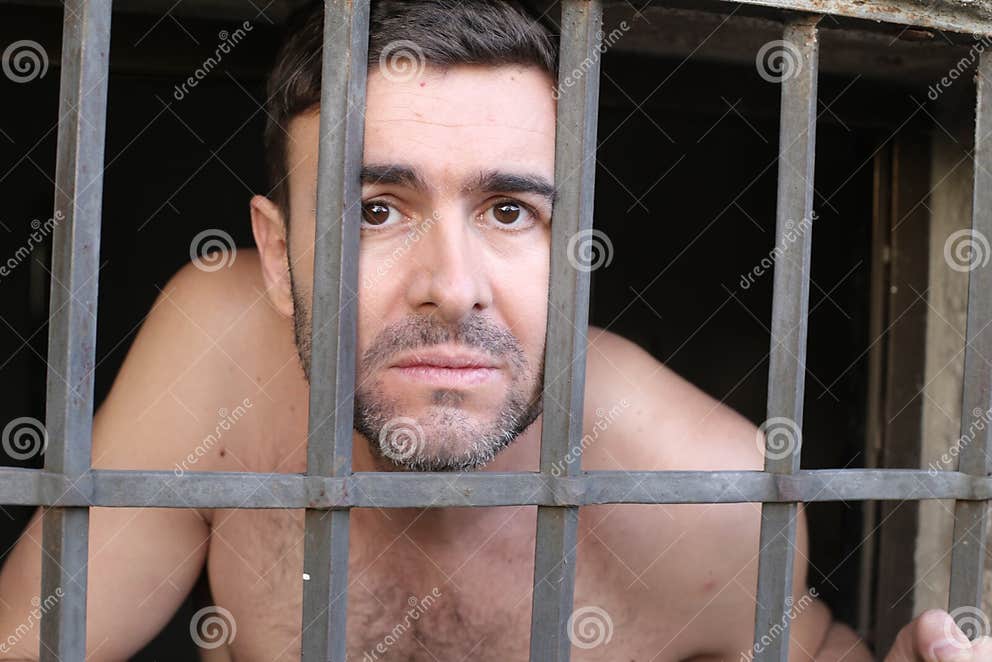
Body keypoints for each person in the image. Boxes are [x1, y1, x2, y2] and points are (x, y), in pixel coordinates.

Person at [1, 1, 987, 660]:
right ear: (275, 254)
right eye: (376, 208)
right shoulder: (217, 349)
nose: (450, 286)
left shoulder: (700, 485)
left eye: (509, 210)